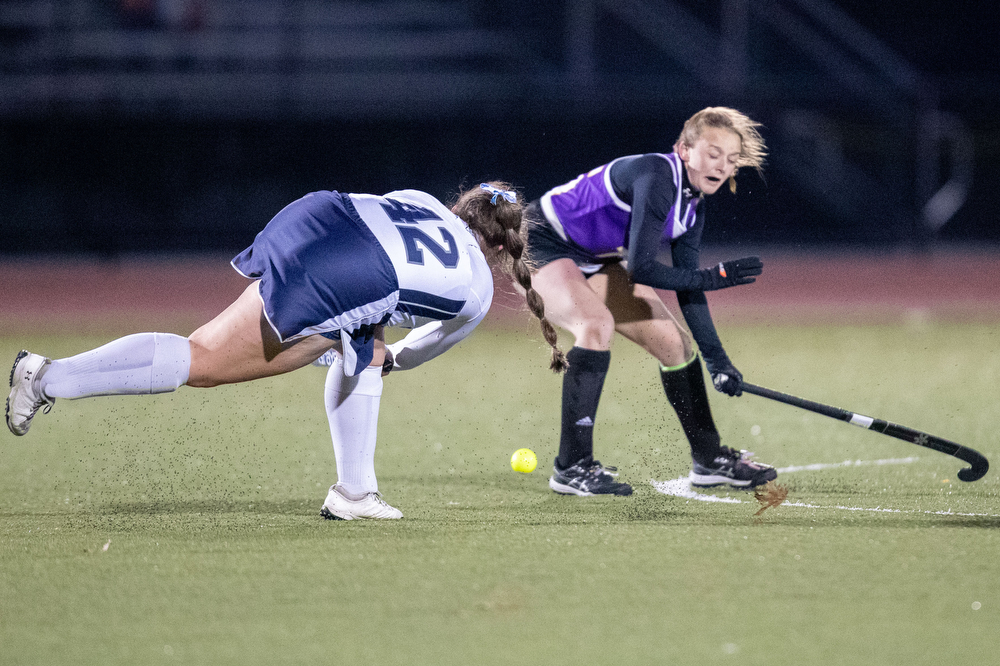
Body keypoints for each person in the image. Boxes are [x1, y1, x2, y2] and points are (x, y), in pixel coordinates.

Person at [5, 182, 566, 520]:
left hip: (321, 217)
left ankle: (355, 490)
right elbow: (419, 348)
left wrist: (373, 344)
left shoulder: (422, 200)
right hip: (351, 273)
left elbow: (379, 239)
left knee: (361, 345)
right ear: (500, 245)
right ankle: (48, 378)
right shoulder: (478, 289)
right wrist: (393, 356)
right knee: (203, 362)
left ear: (463, 209)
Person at [524, 106, 778, 496]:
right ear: (684, 149)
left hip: (596, 256)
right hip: (542, 241)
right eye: (713, 153)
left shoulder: (694, 206)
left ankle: (709, 460)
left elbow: (688, 288)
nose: (722, 166)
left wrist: (718, 361)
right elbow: (642, 267)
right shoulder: (657, 176)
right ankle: (571, 466)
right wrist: (715, 277)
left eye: (731, 160)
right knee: (595, 326)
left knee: (675, 345)